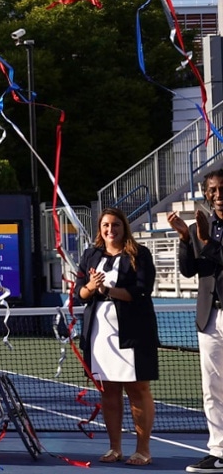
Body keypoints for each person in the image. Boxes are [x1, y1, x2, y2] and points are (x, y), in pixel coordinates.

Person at [73, 207, 158, 467]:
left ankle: (142, 450)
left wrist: (107, 289)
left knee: (137, 388)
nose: (111, 230)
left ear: (124, 227)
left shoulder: (138, 254)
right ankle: (114, 448)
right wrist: (91, 286)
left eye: (116, 225)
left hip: (133, 331)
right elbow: (79, 294)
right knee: (109, 390)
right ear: (100, 229)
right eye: (106, 226)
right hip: (100, 333)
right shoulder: (91, 255)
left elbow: (142, 290)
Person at [169, 168, 223, 474]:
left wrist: (205, 240)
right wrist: (185, 238)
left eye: (222, 188)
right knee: (212, 388)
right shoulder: (198, 226)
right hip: (209, 316)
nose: (218, 195)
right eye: (213, 190)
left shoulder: (204, 230)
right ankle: (218, 452)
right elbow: (190, 270)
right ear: (206, 194)